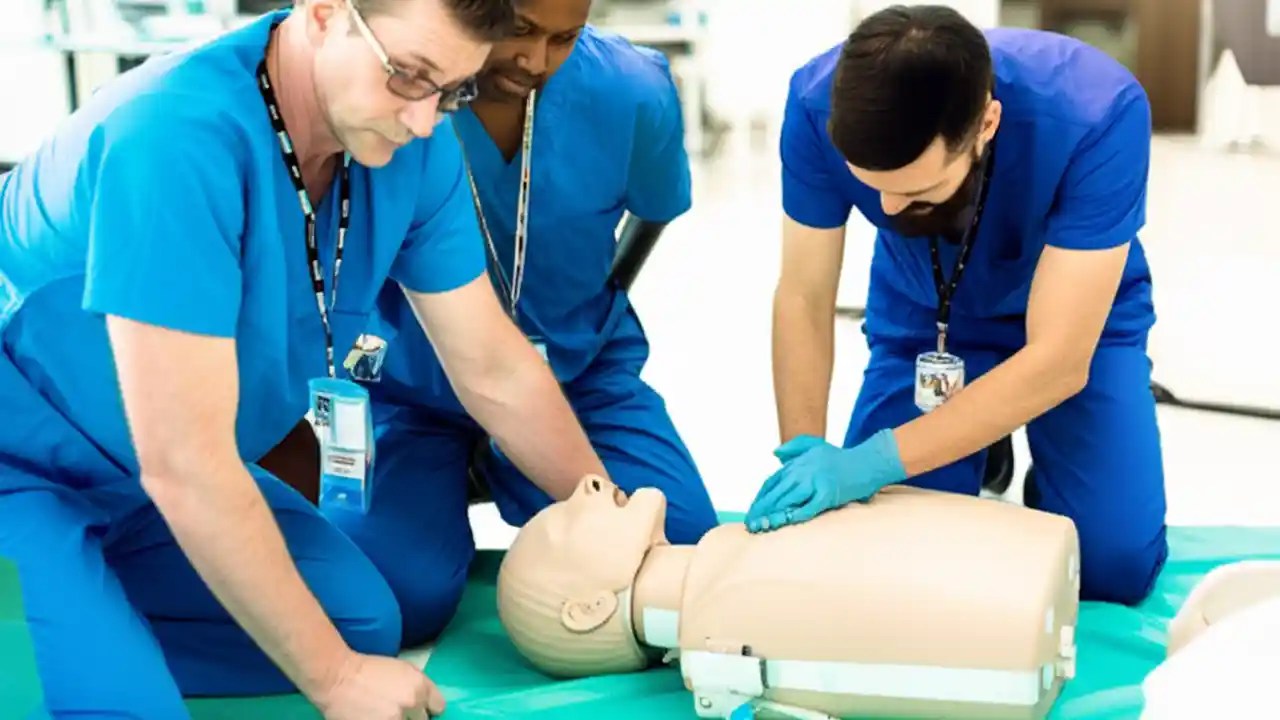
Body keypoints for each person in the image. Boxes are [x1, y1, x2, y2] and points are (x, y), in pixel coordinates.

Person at [0, 0, 618, 717]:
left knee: (359, 624)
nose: (425, 120)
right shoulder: (172, 139)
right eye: (409, 75)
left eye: (453, 90)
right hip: (26, 473)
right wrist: (336, 680)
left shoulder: (408, 144)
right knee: (128, 705)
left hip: (140, 480)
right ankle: (74, 629)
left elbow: (493, 367)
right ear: (325, 11)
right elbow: (186, 462)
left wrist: (609, 520)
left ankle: (85, 617)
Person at [319, 0, 720, 650]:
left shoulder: (632, 92)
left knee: (673, 562)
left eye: (566, 37)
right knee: (386, 598)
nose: (536, 61)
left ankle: (505, 463)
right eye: (521, 31)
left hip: (577, 377)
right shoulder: (404, 95)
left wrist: (590, 306)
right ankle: (458, 472)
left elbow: (656, 208)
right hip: (412, 387)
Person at [750, 5, 1168, 605]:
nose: (888, 211)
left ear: (986, 125)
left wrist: (868, 463)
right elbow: (803, 295)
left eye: (917, 190)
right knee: (888, 551)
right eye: (872, 185)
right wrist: (805, 459)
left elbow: (1058, 359)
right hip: (927, 315)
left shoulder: (1098, 111)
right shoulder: (817, 105)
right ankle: (976, 438)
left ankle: (1033, 460)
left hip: (1079, 322)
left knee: (1110, 564)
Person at [495, 475, 1079, 720]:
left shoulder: (728, 559)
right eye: (564, 522)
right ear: (588, 610)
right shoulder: (724, 616)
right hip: (1016, 606)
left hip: (1025, 569)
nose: (587, 483)